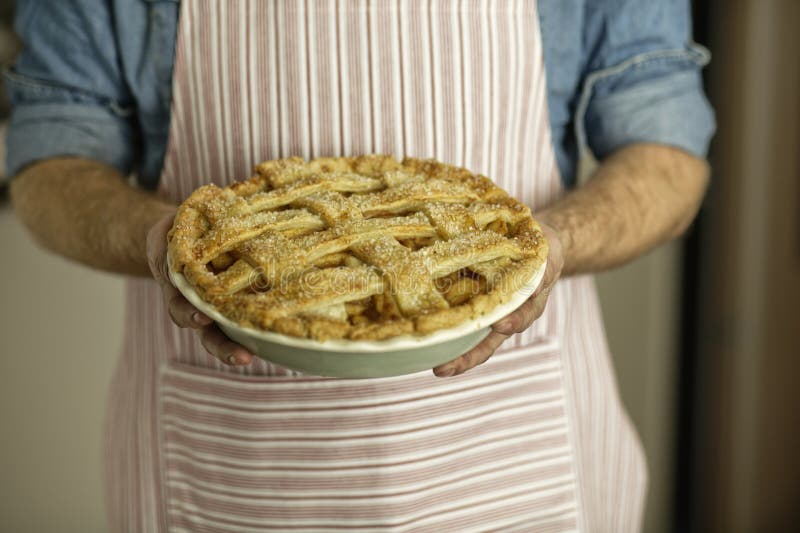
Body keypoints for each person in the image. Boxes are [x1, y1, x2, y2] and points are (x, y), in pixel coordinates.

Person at [6, 1, 715, 531]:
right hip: (230, 470)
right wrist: (159, 240)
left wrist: (549, 242)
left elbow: (665, 149)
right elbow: (48, 162)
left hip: (509, 460)